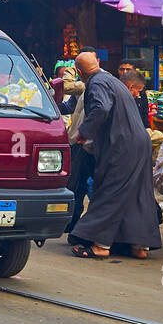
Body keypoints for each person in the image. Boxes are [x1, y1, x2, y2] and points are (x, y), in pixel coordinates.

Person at [68, 50, 161, 260]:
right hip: (139, 143)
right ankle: (139, 246)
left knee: (110, 190)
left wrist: (85, 131)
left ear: (80, 73)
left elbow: (101, 109)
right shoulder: (112, 80)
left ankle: (100, 245)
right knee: (138, 194)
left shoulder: (97, 82)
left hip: (122, 146)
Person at [58, 63, 95, 230]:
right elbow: (69, 106)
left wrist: (72, 68)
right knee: (76, 185)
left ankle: (88, 225)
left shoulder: (96, 85)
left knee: (88, 185)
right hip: (77, 143)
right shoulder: (81, 88)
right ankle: (71, 222)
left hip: (90, 143)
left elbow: (66, 85)